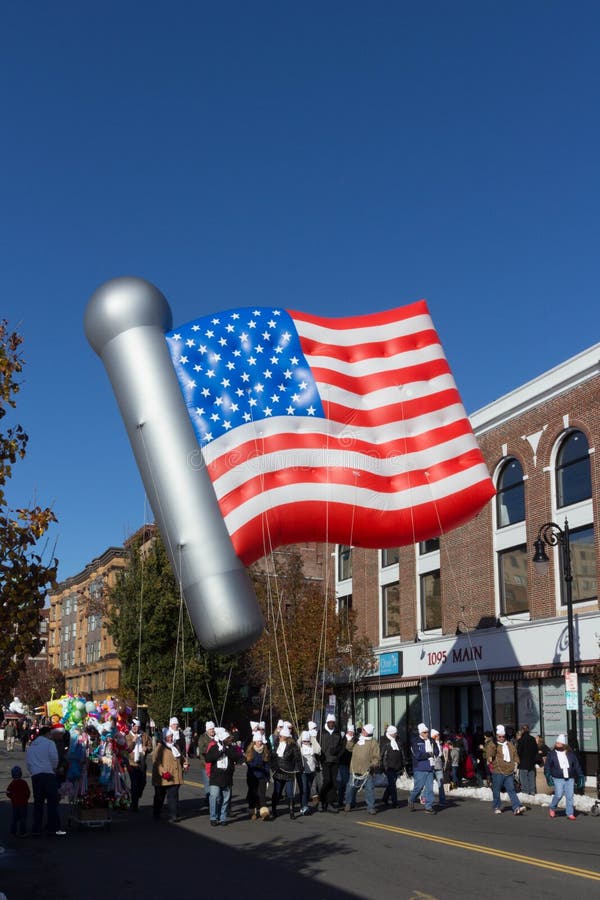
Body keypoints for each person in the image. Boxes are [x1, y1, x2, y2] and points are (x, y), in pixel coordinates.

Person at [25, 726, 66, 836]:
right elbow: (54, 758)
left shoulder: (32, 745)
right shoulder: (50, 743)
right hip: (48, 774)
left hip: (36, 775)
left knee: (38, 802)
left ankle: (36, 828)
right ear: (47, 733)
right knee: (52, 802)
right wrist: (53, 768)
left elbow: (28, 762)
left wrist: (33, 771)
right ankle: (52, 827)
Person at [487, 724, 524, 816]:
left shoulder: (509, 744)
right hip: (498, 771)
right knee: (496, 789)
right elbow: (490, 753)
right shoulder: (493, 744)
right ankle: (497, 806)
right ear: (497, 736)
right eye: (499, 737)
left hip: (509, 771)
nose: (501, 738)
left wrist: (516, 762)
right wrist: (490, 756)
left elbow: (515, 753)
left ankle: (516, 807)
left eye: (503, 736)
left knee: (511, 789)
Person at [544, 733, 583, 820]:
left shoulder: (570, 754)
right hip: (558, 778)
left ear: (563, 745)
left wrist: (580, 775)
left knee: (570, 796)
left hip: (570, 778)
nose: (557, 744)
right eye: (556, 743)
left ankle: (570, 813)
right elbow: (547, 766)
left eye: (559, 743)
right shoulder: (552, 754)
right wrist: (548, 775)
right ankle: (552, 807)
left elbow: (576, 765)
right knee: (558, 794)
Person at [205, 726, 239, 826]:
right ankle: (213, 817)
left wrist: (227, 751)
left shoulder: (231, 749)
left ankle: (222, 817)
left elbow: (237, 757)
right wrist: (220, 752)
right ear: (223, 740)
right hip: (216, 776)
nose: (230, 741)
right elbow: (208, 759)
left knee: (225, 799)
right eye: (227, 739)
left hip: (227, 777)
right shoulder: (214, 747)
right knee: (214, 796)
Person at [344, 724, 380, 815]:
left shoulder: (373, 743)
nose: (362, 731)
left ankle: (371, 807)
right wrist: (352, 740)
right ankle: (348, 803)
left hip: (367, 770)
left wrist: (373, 765)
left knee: (369, 789)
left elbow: (376, 757)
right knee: (350, 788)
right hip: (354, 768)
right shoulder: (357, 739)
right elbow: (348, 748)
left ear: (368, 732)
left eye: (364, 730)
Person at [151, 728, 185, 822]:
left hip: (174, 776)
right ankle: (156, 812)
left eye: (171, 736)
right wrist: (163, 771)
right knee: (159, 797)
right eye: (168, 737)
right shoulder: (160, 748)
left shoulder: (176, 746)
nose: (170, 739)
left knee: (173, 796)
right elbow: (156, 761)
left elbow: (180, 757)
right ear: (164, 737)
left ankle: (173, 815)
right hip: (162, 778)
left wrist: (185, 763)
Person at [271, 724, 302, 819]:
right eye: (279, 735)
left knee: (290, 793)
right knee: (277, 792)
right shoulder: (276, 743)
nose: (279, 737)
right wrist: (273, 766)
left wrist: (299, 768)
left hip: (289, 772)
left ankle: (291, 811)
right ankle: (274, 809)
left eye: (281, 736)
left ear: (285, 736)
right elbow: (273, 757)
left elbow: (298, 758)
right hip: (279, 772)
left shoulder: (293, 746)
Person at [318, 713, 345, 813]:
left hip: (334, 760)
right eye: (330, 722)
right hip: (324, 760)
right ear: (327, 722)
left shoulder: (338, 732)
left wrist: (337, 752)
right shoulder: (321, 732)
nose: (331, 724)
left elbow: (342, 746)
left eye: (333, 722)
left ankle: (329, 803)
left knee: (334, 782)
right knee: (327, 780)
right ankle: (321, 800)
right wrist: (319, 758)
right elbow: (316, 746)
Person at [408, 723, 437, 813]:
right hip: (419, 768)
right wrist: (428, 754)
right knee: (418, 788)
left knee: (429, 788)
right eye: (424, 732)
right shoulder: (415, 741)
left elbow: (437, 751)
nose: (426, 734)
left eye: (427, 732)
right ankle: (411, 799)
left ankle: (428, 806)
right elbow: (417, 755)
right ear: (420, 732)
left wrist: (434, 752)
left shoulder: (431, 741)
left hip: (430, 767)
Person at [126, 718, 153, 811]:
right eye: (134, 726)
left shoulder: (144, 735)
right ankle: (134, 805)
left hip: (142, 761)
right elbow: (128, 749)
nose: (136, 728)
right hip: (131, 763)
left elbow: (150, 746)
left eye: (137, 726)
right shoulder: (127, 736)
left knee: (143, 782)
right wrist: (133, 741)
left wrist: (147, 748)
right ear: (131, 726)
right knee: (135, 784)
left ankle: (137, 795)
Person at [245, 731, 271, 820]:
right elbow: (250, 764)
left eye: (261, 741)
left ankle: (264, 812)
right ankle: (252, 811)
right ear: (255, 741)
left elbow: (267, 765)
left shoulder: (265, 750)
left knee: (262, 794)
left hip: (262, 777)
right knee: (253, 794)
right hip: (252, 777)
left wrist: (268, 777)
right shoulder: (250, 751)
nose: (260, 742)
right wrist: (258, 764)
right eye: (258, 741)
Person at [380, 725, 404, 808]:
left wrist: (403, 764)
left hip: (397, 766)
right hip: (388, 766)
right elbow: (382, 755)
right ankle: (395, 802)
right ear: (390, 733)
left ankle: (385, 798)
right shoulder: (384, 741)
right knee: (393, 785)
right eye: (395, 733)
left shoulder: (398, 741)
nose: (396, 734)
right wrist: (383, 766)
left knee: (391, 784)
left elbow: (401, 753)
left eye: (396, 733)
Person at [298, 729, 321, 816]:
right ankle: (304, 807)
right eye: (304, 741)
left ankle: (305, 805)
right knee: (304, 789)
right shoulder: (299, 747)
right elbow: (297, 743)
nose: (306, 742)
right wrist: (301, 739)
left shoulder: (312, 747)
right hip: (303, 772)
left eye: (307, 741)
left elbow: (318, 750)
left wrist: (312, 739)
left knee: (308, 788)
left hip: (311, 771)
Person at [196, 721, 216, 807]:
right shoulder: (202, 738)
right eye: (210, 729)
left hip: (215, 765)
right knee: (208, 784)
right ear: (207, 730)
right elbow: (202, 751)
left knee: (215, 784)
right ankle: (209, 801)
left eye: (213, 729)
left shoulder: (216, 736)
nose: (212, 730)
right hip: (206, 764)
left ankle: (214, 801)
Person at [7, 764, 30, 837]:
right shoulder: (23, 782)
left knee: (14, 819)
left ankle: (13, 832)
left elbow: (8, 793)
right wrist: (26, 798)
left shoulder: (12, 783)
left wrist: (12, 797)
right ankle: (22, 832)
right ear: (20, 774)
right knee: (23, 819)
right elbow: (28, 792)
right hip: (23, 803)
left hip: (15, 803)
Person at [515, 724, 538, 796]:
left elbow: (519, 751)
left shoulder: (521, 740)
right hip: (531, 762)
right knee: (531, 778)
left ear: (522, 730)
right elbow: (536, 750)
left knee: (524, 778)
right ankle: (532, 791)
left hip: (523, 762)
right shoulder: (532, 739)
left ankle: (525, 792)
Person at [430, 729, 446, 806]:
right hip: (431, 765)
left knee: (441, 783)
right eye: (437, 735)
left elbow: (441, 755)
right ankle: (424, 797)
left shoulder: (439, 744)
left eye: (439, 735)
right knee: (429, 784)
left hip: (439, 765)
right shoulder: (430, 743)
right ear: (434, 736)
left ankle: (442, 800)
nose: (439, 736)